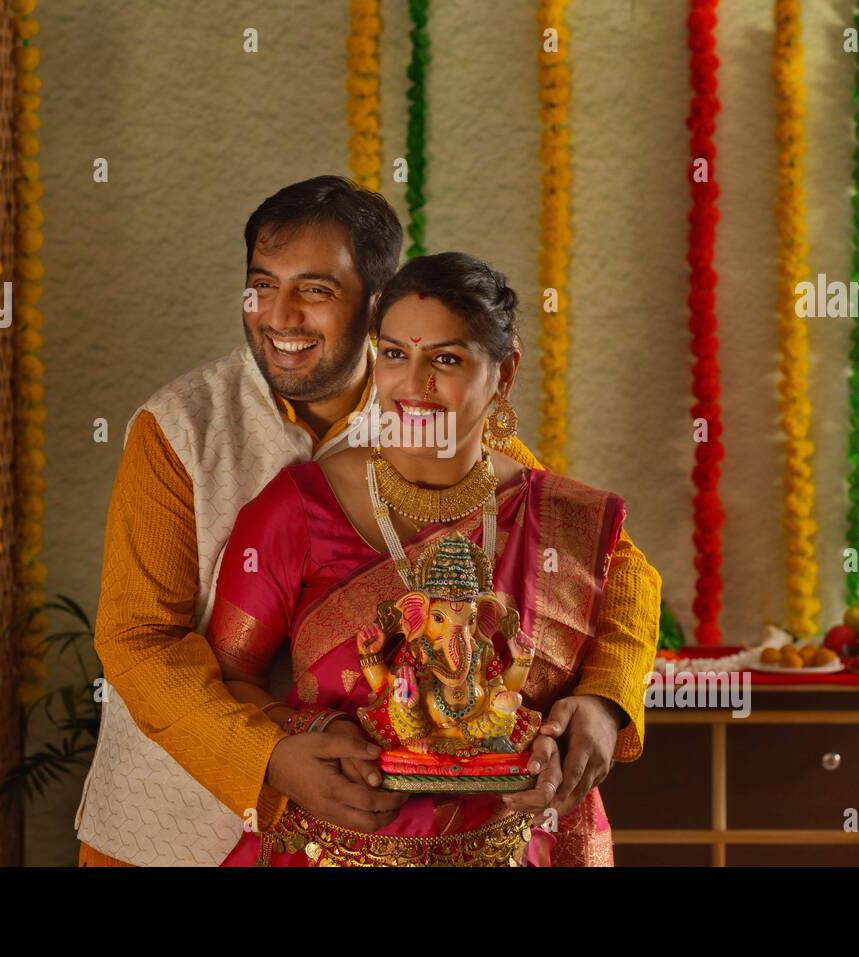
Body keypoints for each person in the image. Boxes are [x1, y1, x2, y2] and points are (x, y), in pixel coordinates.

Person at [75, 177, 549, 866]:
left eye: (316, 290)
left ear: (379, 303)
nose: (280, 315)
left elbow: (604, 553)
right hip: (168, 826)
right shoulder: (179, 427)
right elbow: (138, 641)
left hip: (362, 838)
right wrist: (267, 754)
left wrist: (605, 703)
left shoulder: (433, 413)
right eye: (262, 284)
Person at [204, 252, 661, 866]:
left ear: (504, 373)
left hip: (521, 848)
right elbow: (226, 680)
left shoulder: (559, 517)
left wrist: (604, 706)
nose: (413, 385)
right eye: (394, 354)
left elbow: (632, 599)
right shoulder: (295, 509)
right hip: (330, 852)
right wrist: (300, 740)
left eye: (446, 359)